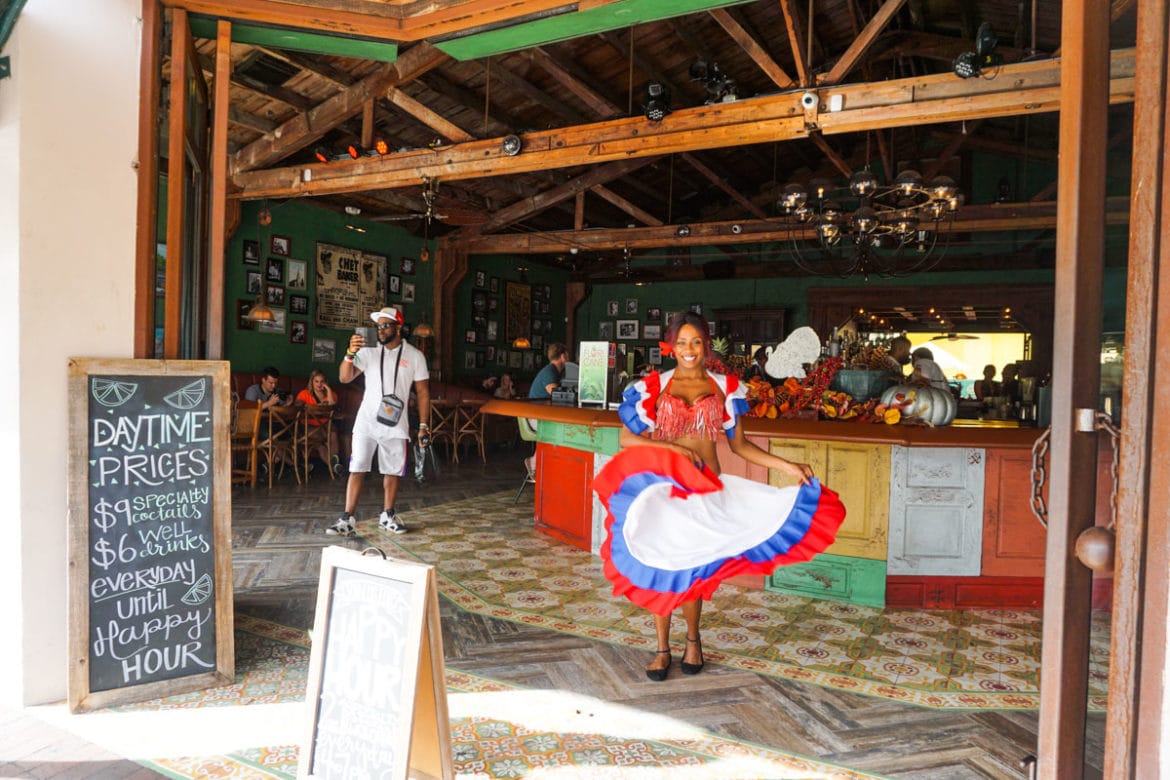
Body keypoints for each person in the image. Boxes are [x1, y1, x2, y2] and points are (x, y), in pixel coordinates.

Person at [593, 312, 845, 682]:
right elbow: (628, 439)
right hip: (663, 492)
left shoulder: (725, 386)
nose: (688, 350)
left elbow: (740, 446)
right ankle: (661, 648)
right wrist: (676, 451)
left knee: (694, 567)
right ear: (671, 346)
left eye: (695, 342)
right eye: (681, 342)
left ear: (706, 345)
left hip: (706, 490)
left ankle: (693, 640)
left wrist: (788, 466)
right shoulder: (653, 386)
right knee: (662, 566)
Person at [325, 306, 431, 537]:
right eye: (378, 326)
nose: (380, 330)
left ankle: (388, 515)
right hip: (366, 421)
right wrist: (350, 353)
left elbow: (423, 392)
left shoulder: (414, 356)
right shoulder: (369, 351)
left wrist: (423, 425)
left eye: (385, 325)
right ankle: (347, 518)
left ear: (398, 327)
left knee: (392, 471)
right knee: (357, 467)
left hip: (396, 423)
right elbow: (344, 377)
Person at [296, 369, 342, 475]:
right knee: (320, 443)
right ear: (311, 382)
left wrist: (328, 389)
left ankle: (334, 463)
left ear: (325, 382)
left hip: (325, 425)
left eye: (322, 381)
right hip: (309, 425)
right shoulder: (304, 394)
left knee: (333, 433)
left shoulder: (331, 394)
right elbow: (297, 406)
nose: (319, 384)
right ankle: (334, 467)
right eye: (316, 381)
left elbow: (332, 405)